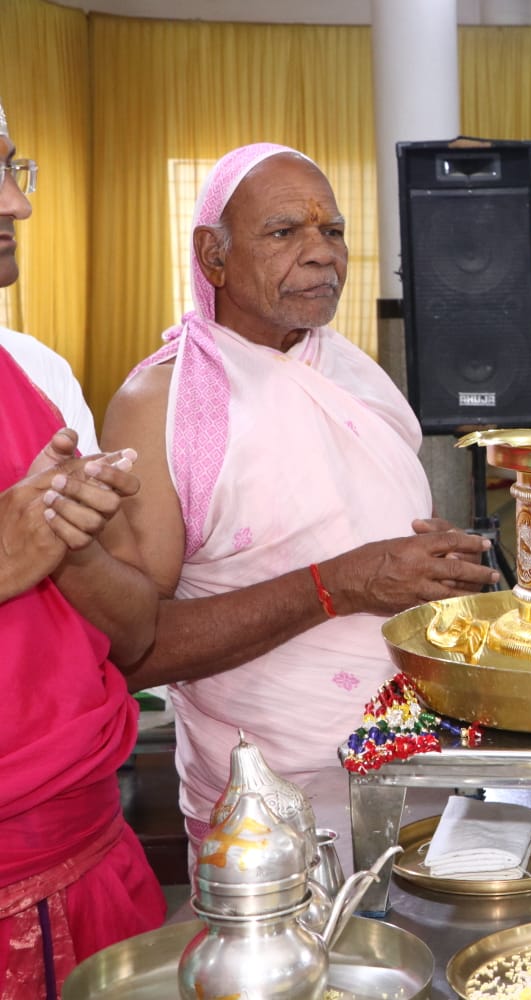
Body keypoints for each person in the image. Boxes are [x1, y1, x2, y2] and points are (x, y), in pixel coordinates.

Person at [101, 143, 500, 852]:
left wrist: (429, 564)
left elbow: (360, 525)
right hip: (268, 808)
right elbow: (137, 650)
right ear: (212, 256)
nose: (322, 254)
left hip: (419, 770)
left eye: (334, 231)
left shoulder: (351, 368)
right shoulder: (166, 401)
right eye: (286, 233)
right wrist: (339, 585)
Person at [0, 99, 166, 994]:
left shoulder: (32, 373)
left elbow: (135, 631)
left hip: (92, 848)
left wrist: (73, 546)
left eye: (13, 169)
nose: (18, 204)